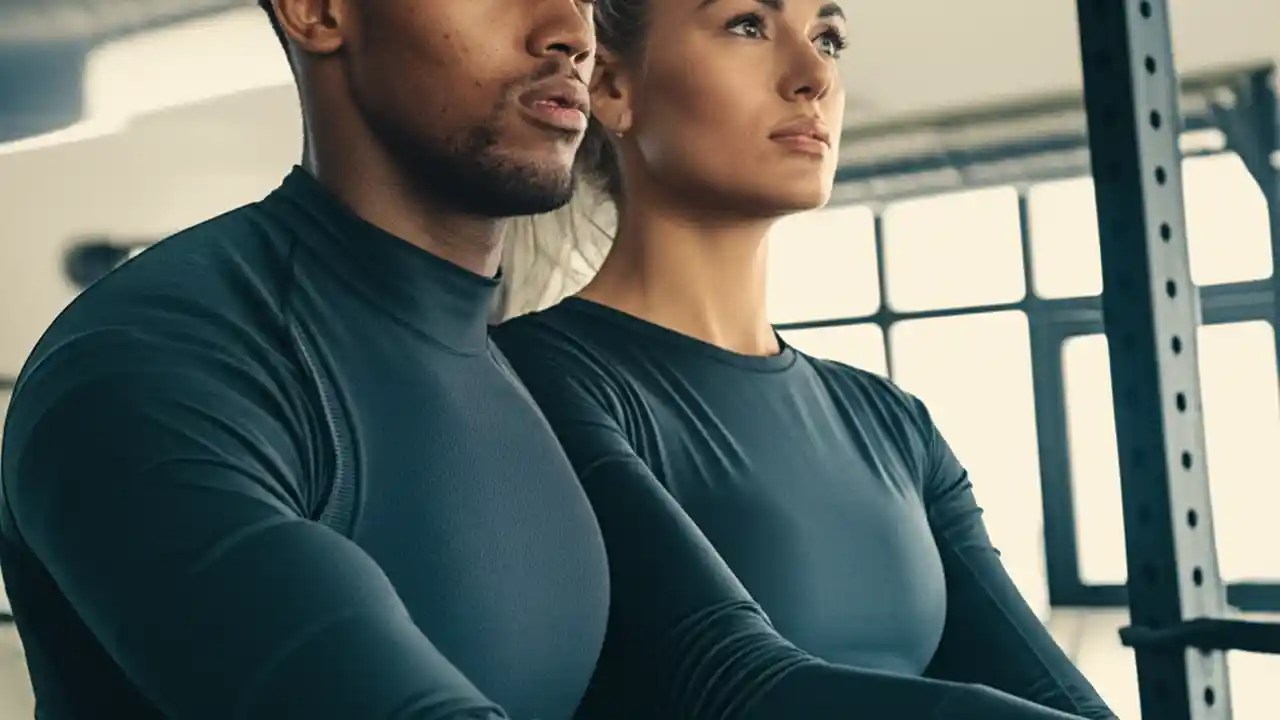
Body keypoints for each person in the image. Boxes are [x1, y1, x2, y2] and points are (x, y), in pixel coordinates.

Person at [492, 1, 1119, 719]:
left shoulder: (892, 421)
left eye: (828, 38)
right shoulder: (535, 379)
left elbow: (1053, 694)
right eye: (748, 25)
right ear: (611, 88)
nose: (814, 74)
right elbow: (740, 684)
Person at [0, 1, 609, 717]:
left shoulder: (537, 381)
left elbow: (720, 664)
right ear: (318, 12)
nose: (570, 31)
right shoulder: (140, 364)